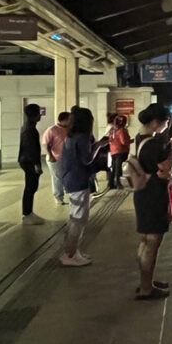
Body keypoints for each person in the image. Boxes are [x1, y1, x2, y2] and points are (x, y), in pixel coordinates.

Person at [134, 103, 172, 300]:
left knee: (144, 240)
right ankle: (146, 289)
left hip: (142, 194)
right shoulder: (154, 144)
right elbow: (165, 171)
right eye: (166, 122)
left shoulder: (140, 138)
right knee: (153, 242)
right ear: (157, 122)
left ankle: (145, 282)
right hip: (153, 195)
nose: (167, 125)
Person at [59, 107, 105, 266]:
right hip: (79, 180)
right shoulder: (83, 137)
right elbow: (87, 159)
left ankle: (73, 251)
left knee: (74, 217)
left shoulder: (71, 136)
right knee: (79, 219)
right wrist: (98, 145)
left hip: (71, 179)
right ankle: (70, 255)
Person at [18, 104, 45, 225]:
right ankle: (27, 214)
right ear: (33, 115)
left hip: (26, 160)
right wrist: (36, 164)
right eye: (38, 113)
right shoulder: (29, 129)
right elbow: (31, 149)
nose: (40, 115)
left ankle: (28, 213)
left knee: (31, 187)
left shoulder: (28, 127)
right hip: (28, 161)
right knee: (31, 187)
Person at [42, 112, 70, 205]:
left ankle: (69, 194)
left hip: (66, 158)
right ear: (63, 120)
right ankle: (59, 198)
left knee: (66, 177)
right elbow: (45, 144)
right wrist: (50, 155)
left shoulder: (68, 129)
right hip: (55, 158)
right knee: (58, 178)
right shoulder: (52, 130)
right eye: (69, 119)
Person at [108, 114, 132, 189]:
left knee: (114, 167)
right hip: (121, 151)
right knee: (118, 168)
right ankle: (118, 183)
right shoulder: (122, 130)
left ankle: (111, 183)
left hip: (113, 151)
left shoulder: (112, 130)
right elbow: (124, 142)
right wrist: (131, 141)